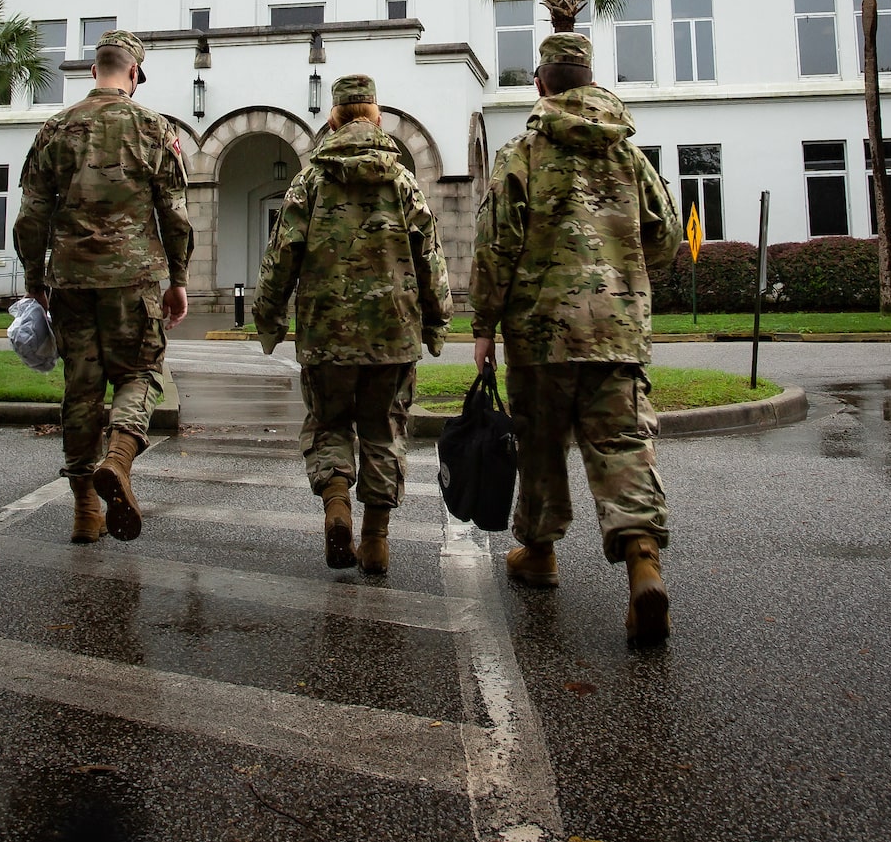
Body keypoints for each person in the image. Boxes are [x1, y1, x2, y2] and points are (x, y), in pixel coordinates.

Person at [471, 31, 682, 645]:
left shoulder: (520, 156)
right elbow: (665, 239)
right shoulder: (631, 157)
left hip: (540, 335)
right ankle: (643, 559)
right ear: (589, 80)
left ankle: (539, 555)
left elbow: (494, 247)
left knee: (540, 447)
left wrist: (483, 326)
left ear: (540, 83)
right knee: (622, 443)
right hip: (618, 332)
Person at [252, 75, 451, 575]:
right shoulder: (401, 180)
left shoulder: (309, 181)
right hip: (394, 334)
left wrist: (269, 318)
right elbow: (430, 255)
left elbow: (281, 256)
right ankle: (377, 540)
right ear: (376, 116)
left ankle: (337, 501)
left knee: (329, 423)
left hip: (326, 336)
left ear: (334, 119)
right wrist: (437, 321)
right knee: (385, 430)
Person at [12, 29, 193, 544]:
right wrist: (178, 280)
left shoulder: (54, 129)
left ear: (95, 70)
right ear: (133, 74)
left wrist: (33, 279)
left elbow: (31, 215)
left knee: (81, 389)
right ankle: (118, 458)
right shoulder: (154, 129)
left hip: (70, 279)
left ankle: (85, 510)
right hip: (133, 280)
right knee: (141, 373)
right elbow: (175, 215)